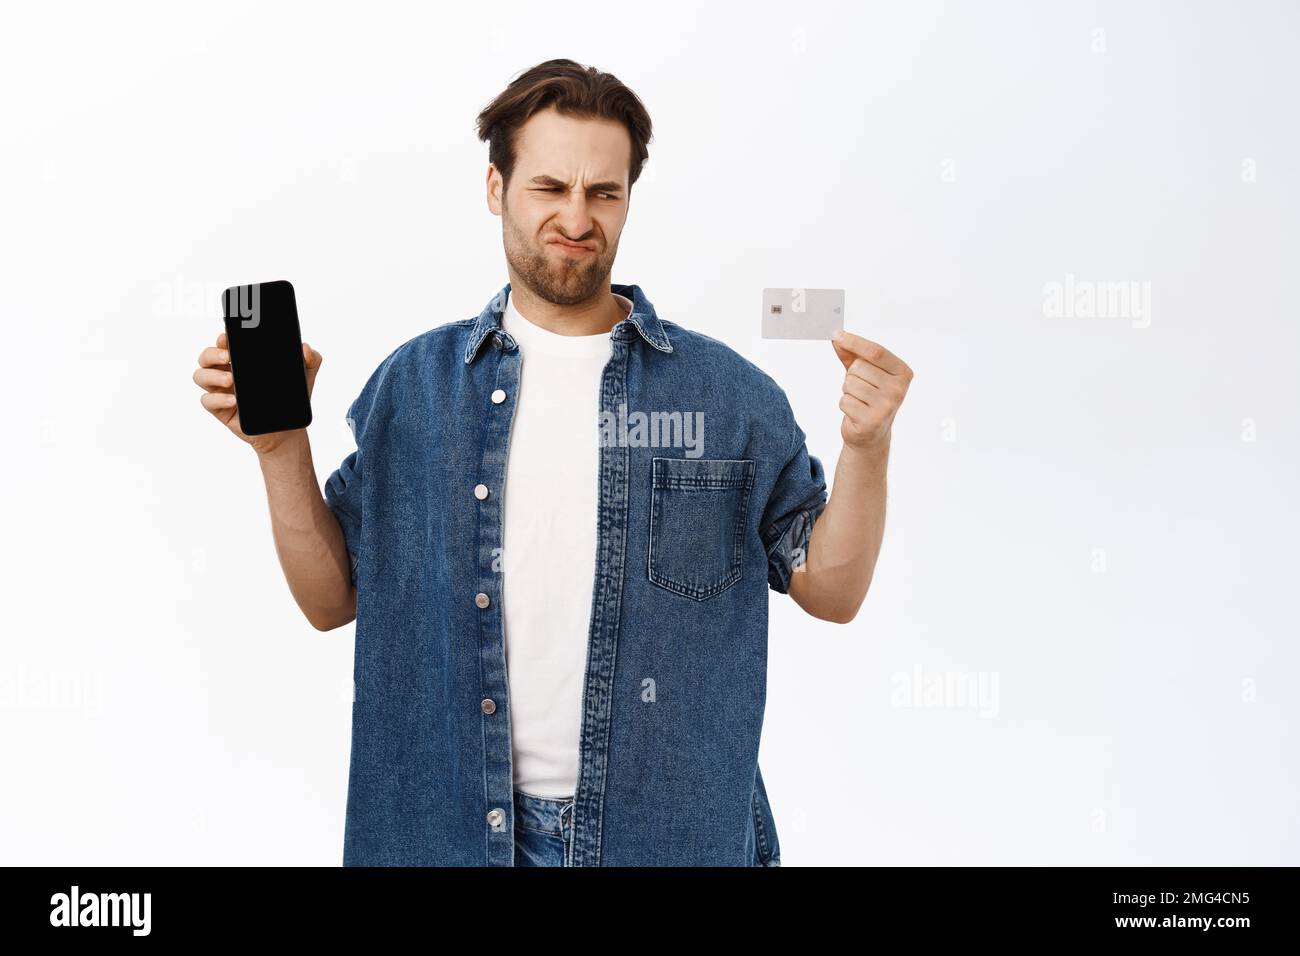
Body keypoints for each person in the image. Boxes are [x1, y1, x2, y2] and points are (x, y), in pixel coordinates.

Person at [192, 58, 912, 866]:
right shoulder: (416, 388)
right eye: (549, 188)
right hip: (442, 837)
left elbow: (833, 590)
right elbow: (331, 603)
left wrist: (866, 447)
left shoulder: (729, 398)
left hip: (665, 842)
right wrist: (281, 448)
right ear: (496, 187)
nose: (577, 217)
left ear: (629, 201)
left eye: (603, 193)